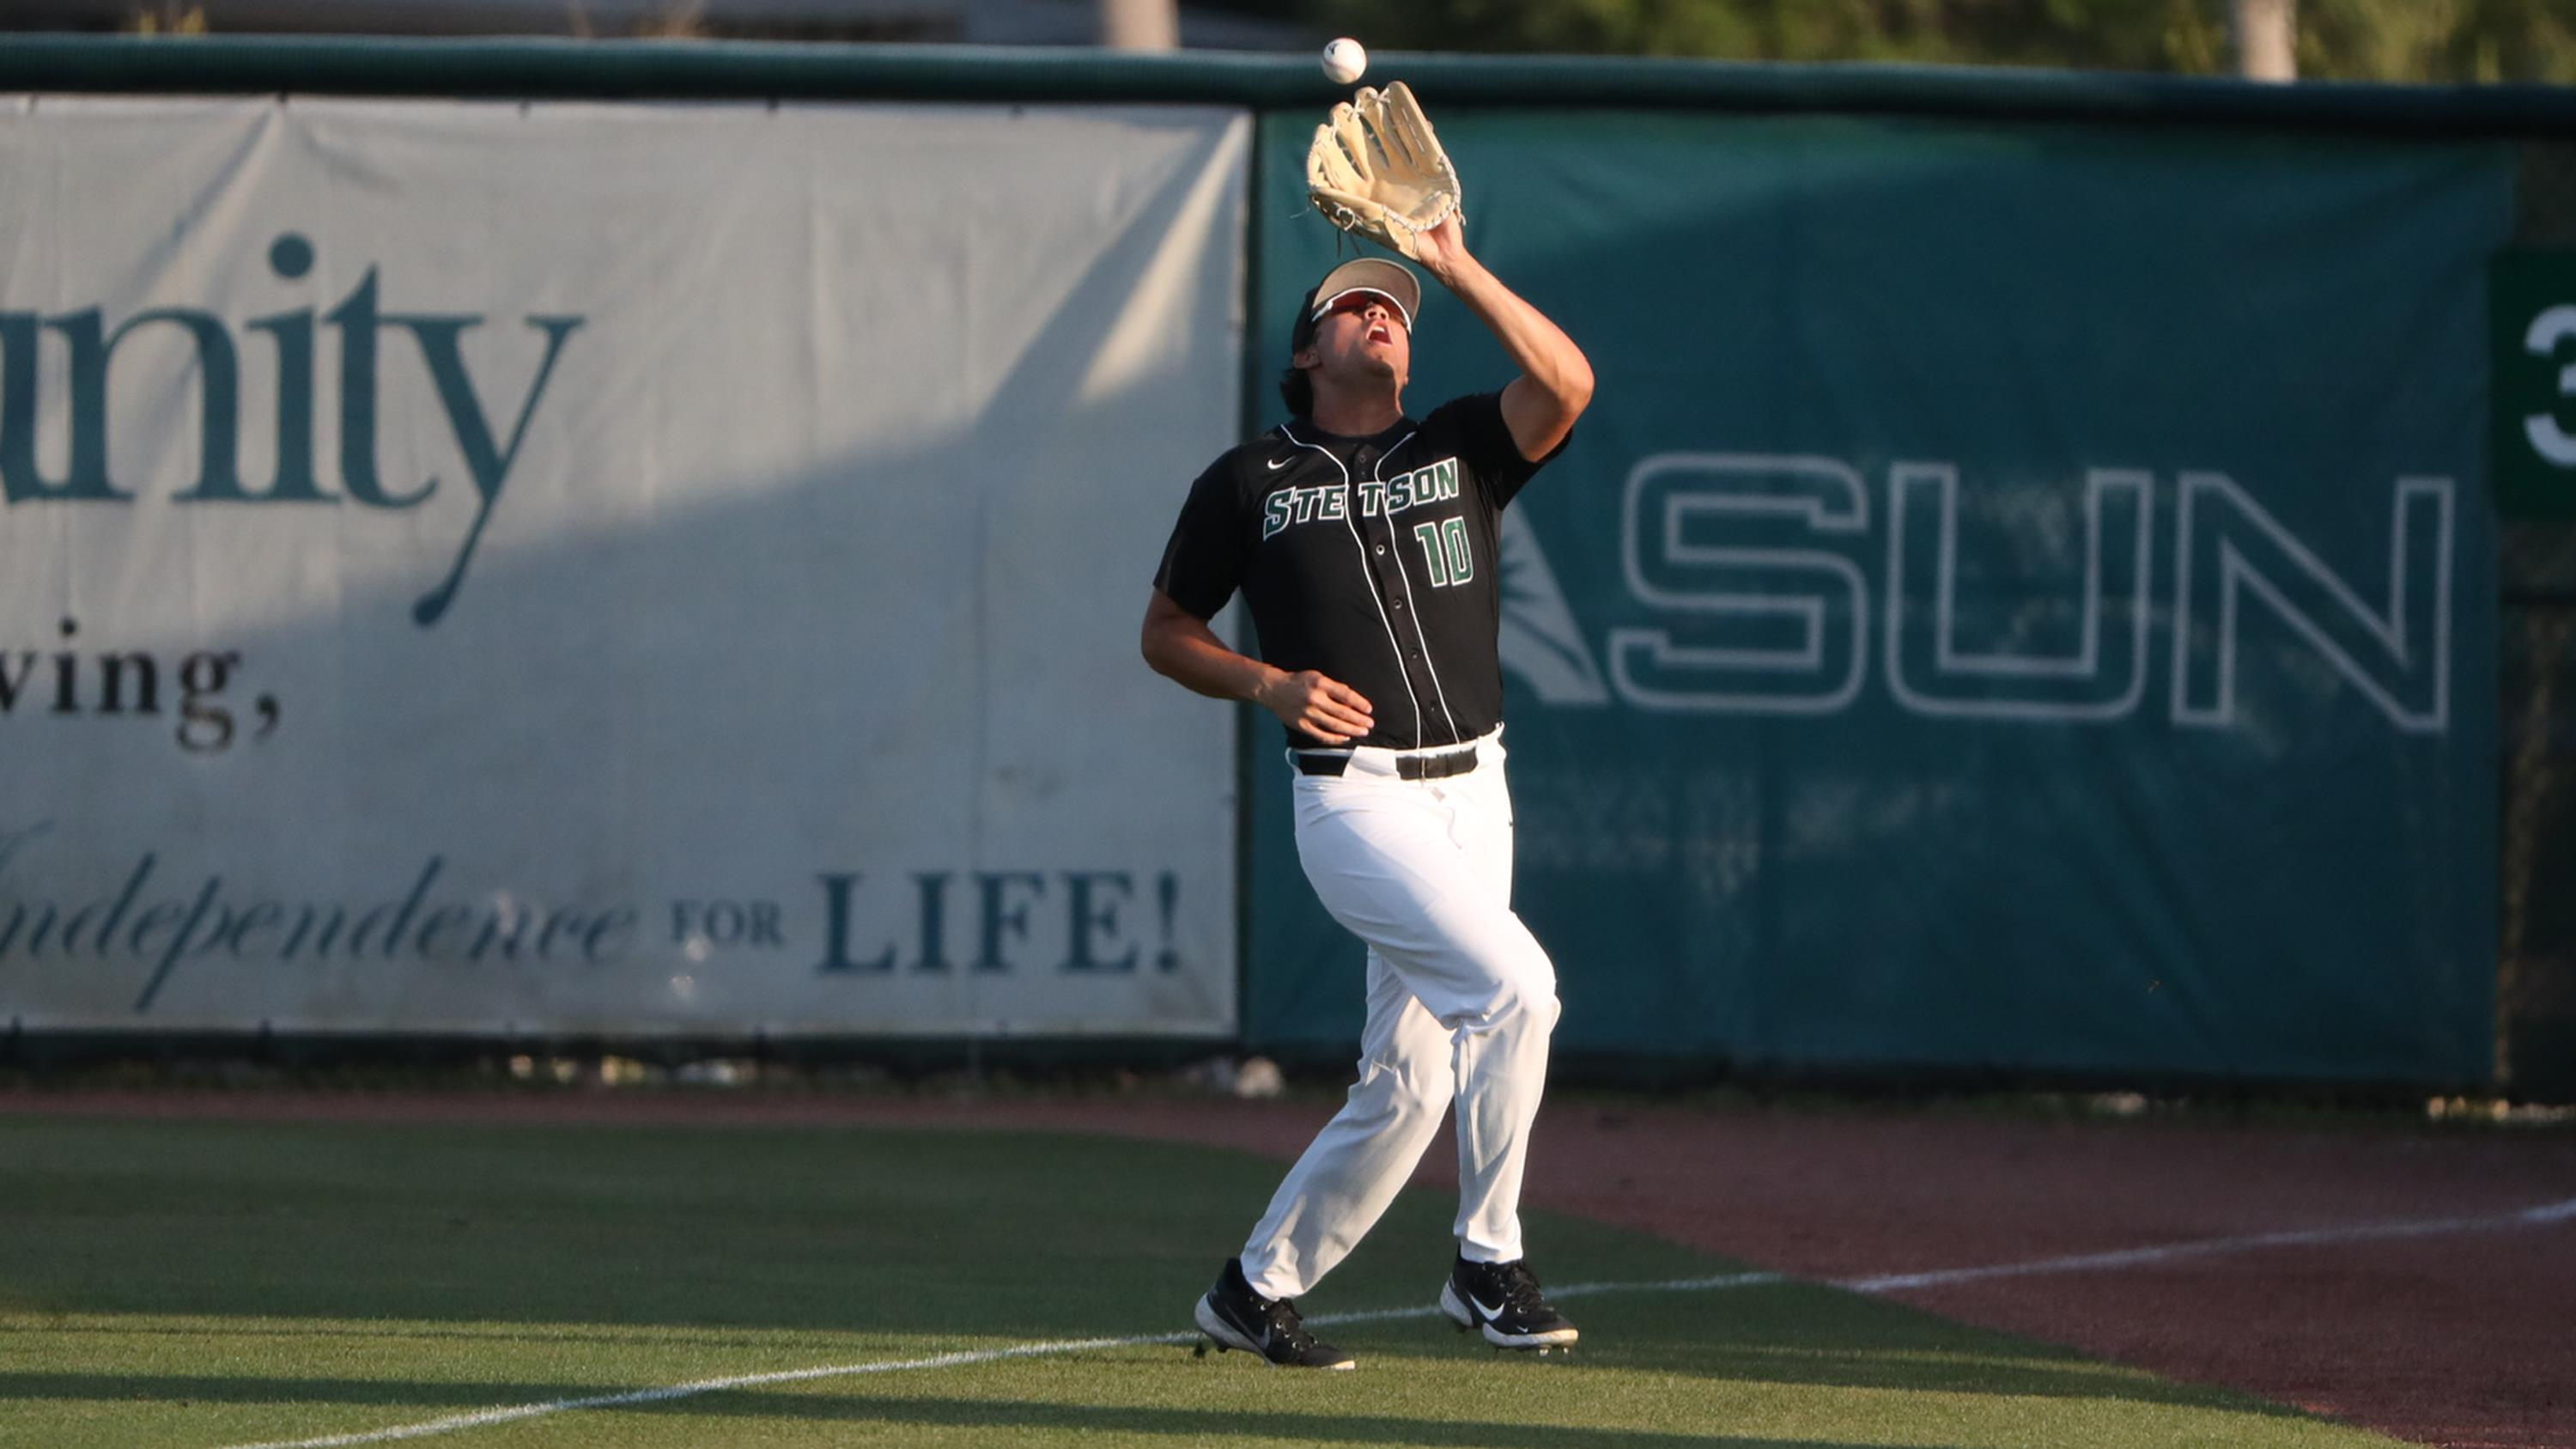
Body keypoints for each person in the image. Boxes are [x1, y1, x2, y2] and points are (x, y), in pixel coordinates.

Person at [1139, 216, 1595, 1370]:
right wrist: (1268, 684)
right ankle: (1487, 1261)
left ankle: (1254, 1289)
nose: (1379, 312)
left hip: (1473, 792)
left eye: (1393, 305)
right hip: (1356, 800)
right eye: (1353, 304)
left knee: (1407, 1080)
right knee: (1518, 993)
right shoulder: (1249, 478)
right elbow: (1166, 632)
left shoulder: (1459, 447)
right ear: (1305, 352)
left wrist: (1453, 264)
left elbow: (1567, 381)